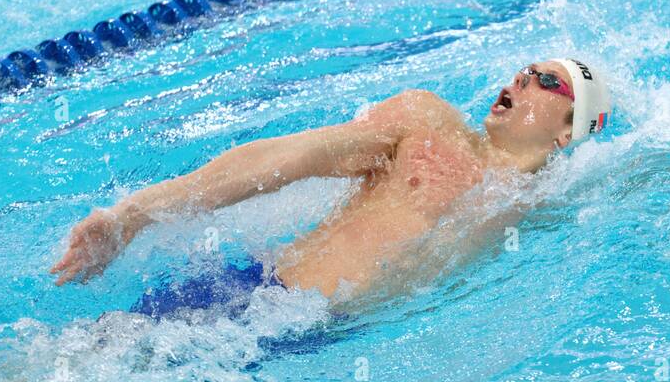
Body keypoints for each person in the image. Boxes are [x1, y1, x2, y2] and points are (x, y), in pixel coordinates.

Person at [49, 58, 612, 311]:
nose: (521, 77)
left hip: (331, 345)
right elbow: (289, 156)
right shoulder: (428, 123)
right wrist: (131, 216)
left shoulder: (550, 204)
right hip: (258, 305)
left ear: (568, 134)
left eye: (546, 81)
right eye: (526, 68)